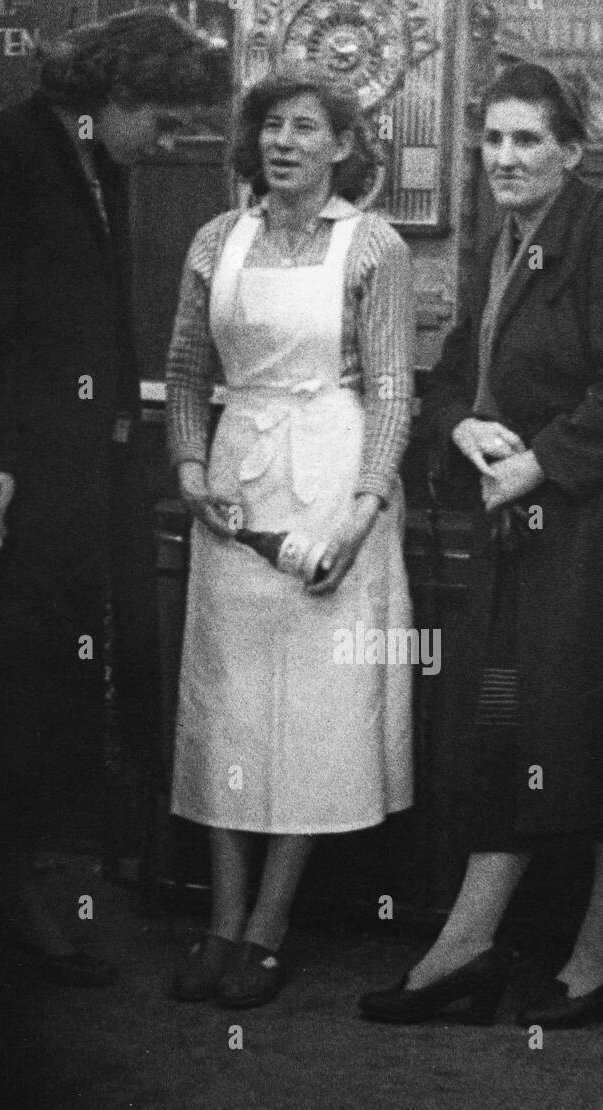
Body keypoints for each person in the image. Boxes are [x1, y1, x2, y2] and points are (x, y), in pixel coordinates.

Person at [360, 62, 603, 1028]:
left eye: (528, 140)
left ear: (571, 150)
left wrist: (541, 463)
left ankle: (602, 951)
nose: (505, 158)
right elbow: (450, 378)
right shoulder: (501, 245)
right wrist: (460, 430)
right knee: (509, 726)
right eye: (491, 140)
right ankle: (468, 945)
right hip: (538, 530)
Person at [0, 10, 229, 986]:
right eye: (165, 121)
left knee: (37, 693)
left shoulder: (95, 162)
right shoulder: (8, 151)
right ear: (118, 93)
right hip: (10, 480)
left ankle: (4, 895)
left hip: (73, 470)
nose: (169, 144)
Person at [166, 68, 415, 1009]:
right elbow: (188, 370)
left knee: (311, 714)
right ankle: (221, 921)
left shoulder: (373, 248)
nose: (284, 142)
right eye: (271, 127)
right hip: (236, 486)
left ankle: (270, 927)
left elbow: (393, 388)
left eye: (306, 128)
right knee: (228, 707)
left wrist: (361, 511)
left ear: (343, 147)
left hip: (332, 480)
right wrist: (191, 471)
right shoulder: (214, 241)